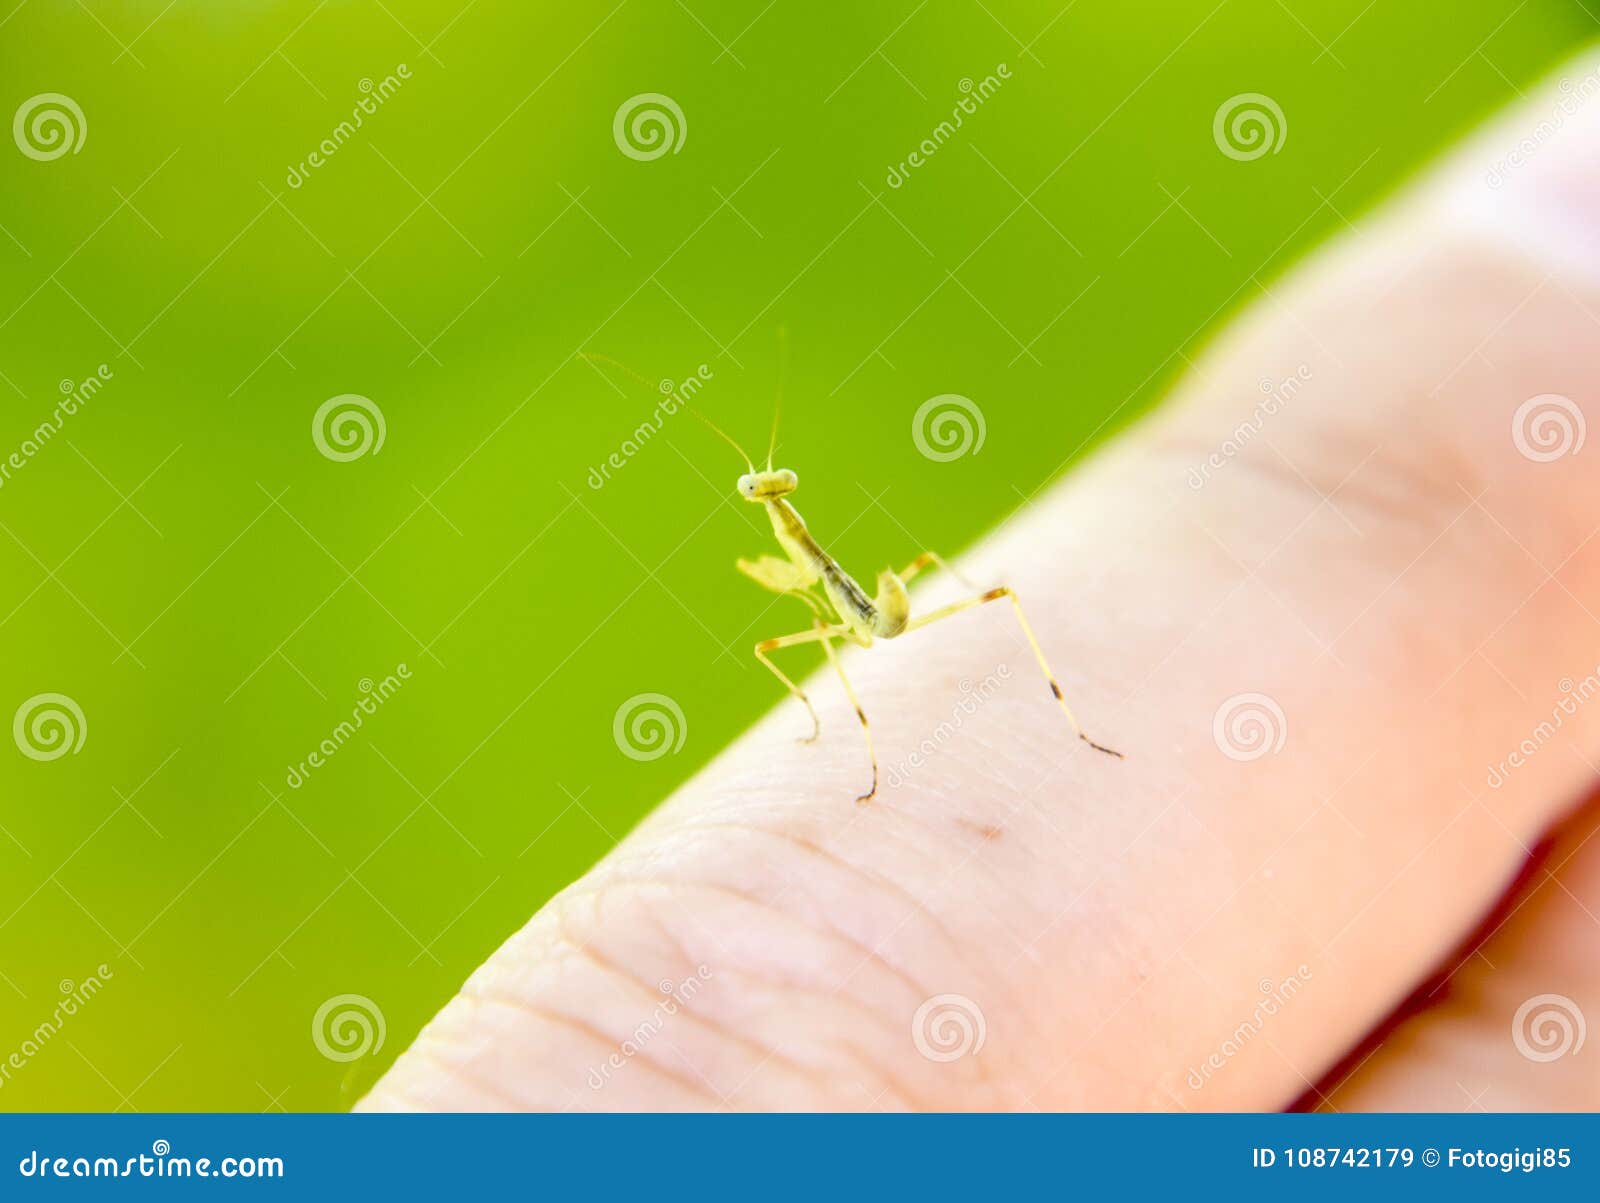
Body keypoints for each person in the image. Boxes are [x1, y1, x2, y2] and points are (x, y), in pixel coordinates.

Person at [362, 54, 1600, 1111]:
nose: (767, 498)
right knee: (799, 640)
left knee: (935, 608)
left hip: (897, 625)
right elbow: (824, 615)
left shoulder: (834, 567)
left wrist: (869, 742)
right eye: (763, 496)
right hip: (872, 630)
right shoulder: (796, 561)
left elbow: (860, 621)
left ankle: (1056, 721)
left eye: (768, 492)